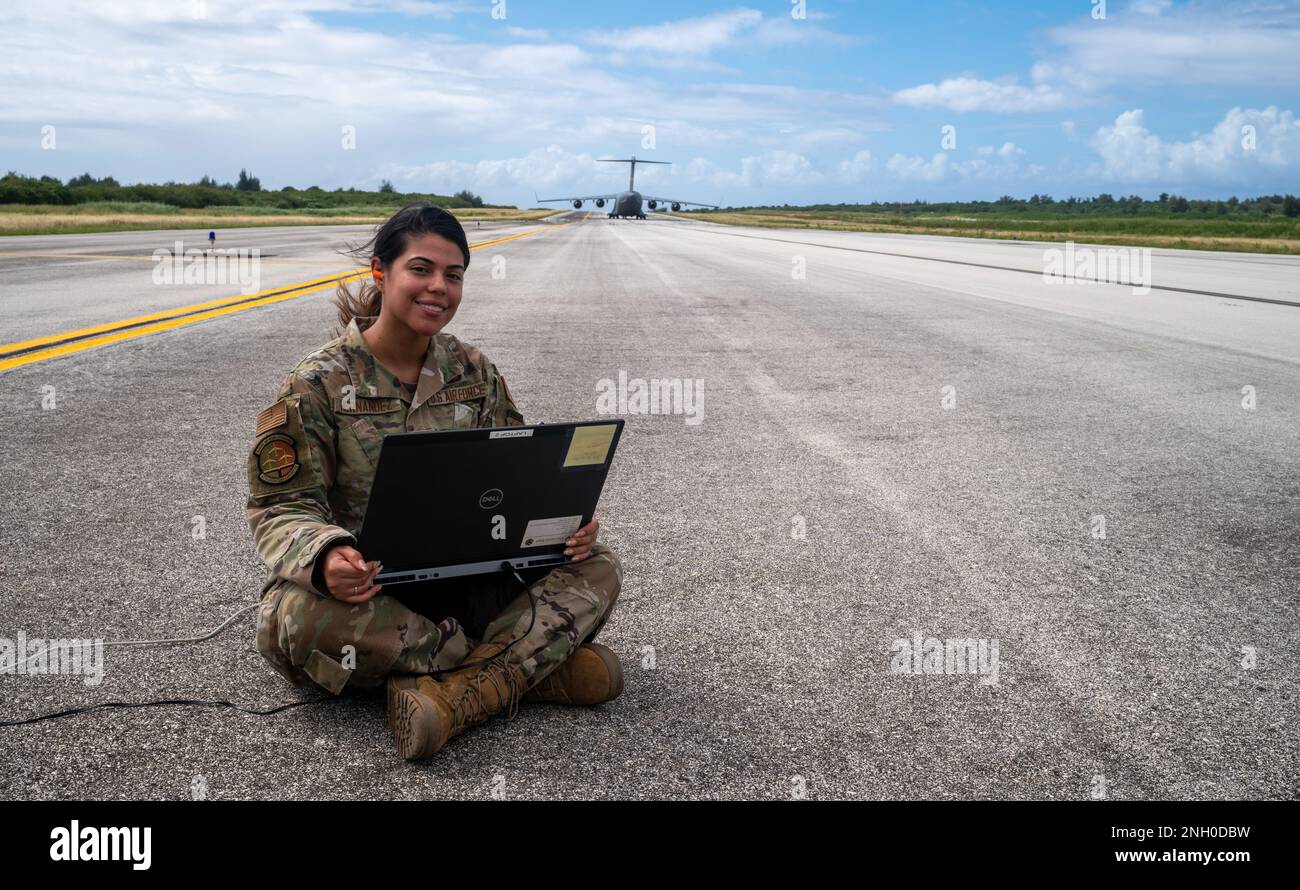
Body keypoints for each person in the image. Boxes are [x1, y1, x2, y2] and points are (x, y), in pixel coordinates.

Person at [245, 202, 624, 760]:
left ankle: (459, 693)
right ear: (381, 272)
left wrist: (563, 524)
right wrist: (326, 558)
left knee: (597, 566)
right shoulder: (318, 382)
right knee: (294, 620)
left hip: (467, 577)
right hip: (369, 591)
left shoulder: (472, 370)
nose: (438, 288)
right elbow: (279, 505)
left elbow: (523, 475)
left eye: (453, 275)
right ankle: (529, 671)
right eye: (420, 269)